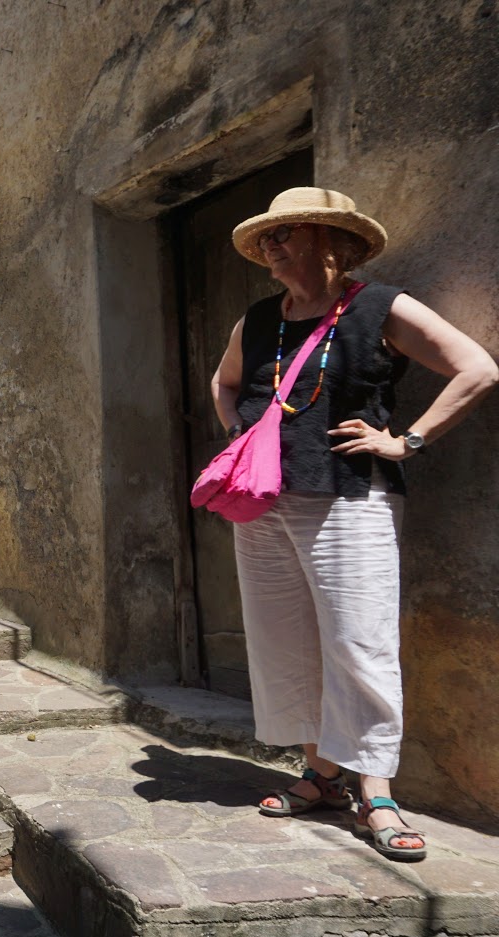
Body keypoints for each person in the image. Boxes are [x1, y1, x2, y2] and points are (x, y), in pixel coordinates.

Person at [209, 188, 497, 862]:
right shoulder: (256, 320)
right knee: (288, 640)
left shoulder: (379, 306)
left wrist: (407, 441)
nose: (272, 248)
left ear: (328, 240)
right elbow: (226, 384)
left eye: (287, 235)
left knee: (358, 642)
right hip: (263, 503)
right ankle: (323, 774)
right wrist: (240, 435)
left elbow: (477, 367)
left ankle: (378, 790)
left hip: (349, 498)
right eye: (268, 238)